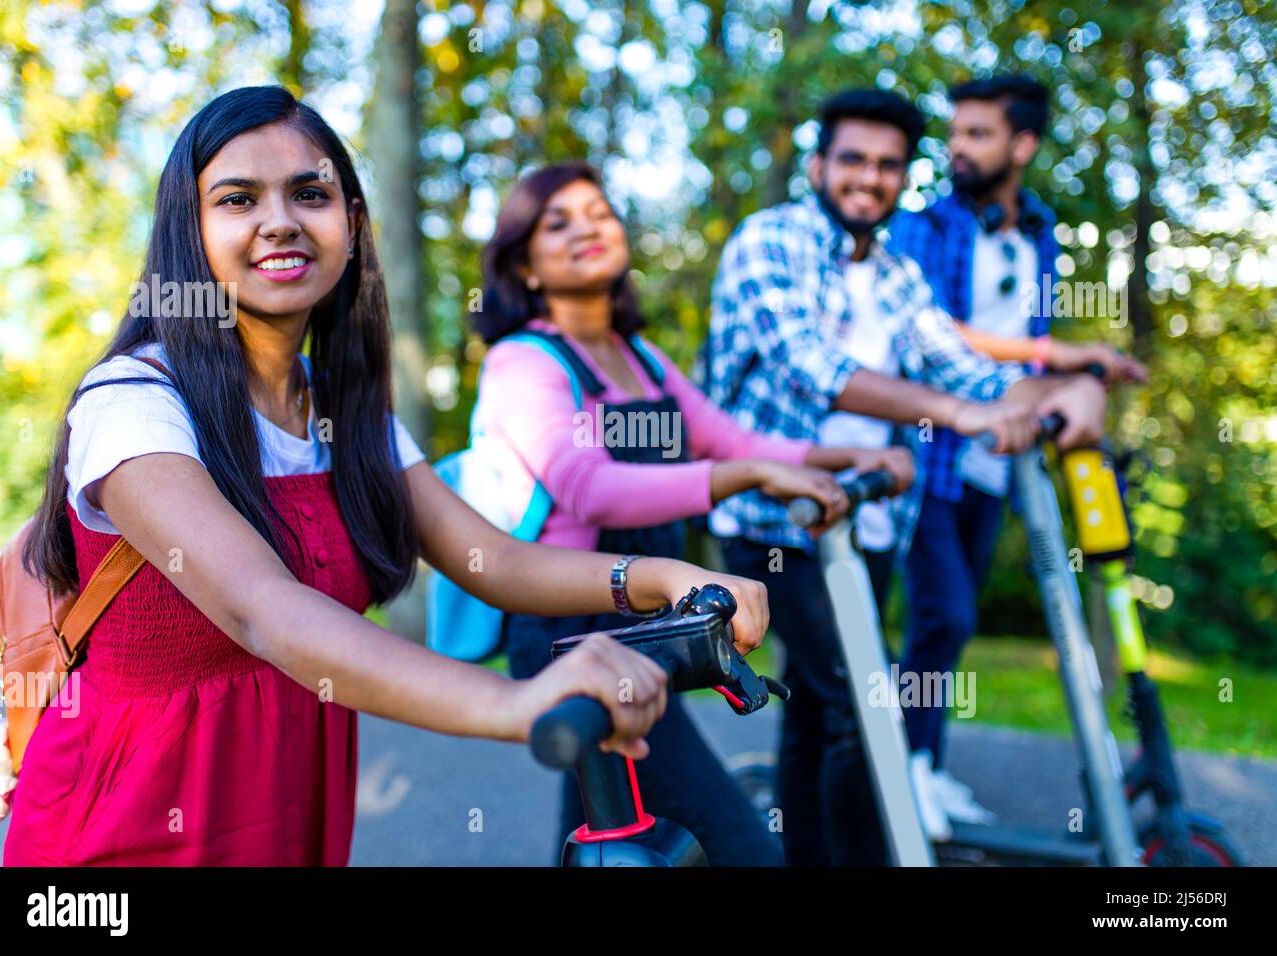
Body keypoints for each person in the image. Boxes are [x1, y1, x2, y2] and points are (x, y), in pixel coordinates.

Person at [1, 88, 772, 866]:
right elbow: (264, 612)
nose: (280, 220)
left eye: (311, 193)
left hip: (289, 811)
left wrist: (660, 576)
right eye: (238, 199)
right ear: (189, 234)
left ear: (352, 225)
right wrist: (516, 701)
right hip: (122, 831)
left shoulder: (344, 411)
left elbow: (493, 561)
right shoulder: (134, 401)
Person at [701, 87, 1111, 864]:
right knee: (862, 704)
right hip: (773, 521)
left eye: (890, 165)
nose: (870, 178)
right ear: (818, 164)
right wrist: (957, 414)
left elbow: (970, 373)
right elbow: (814, 367)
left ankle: (803, 855)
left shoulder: (894, 274)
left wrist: (1071, 387)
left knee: (822, 712)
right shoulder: (769, 241)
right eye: (853, 159)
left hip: (870, 520)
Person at [471, 161, 914, 866]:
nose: (588, 227)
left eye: (600, 212)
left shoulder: (639, 358)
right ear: (524, 265)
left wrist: (841, 458)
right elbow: (591, 488)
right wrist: (748, 474)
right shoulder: (522, 363)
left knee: (608, 827)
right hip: (577, 631)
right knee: (735, 844)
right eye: (559, 222)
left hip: (652, 626)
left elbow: (735, 442)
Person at [886, 74, 1148, 831]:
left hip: (993, 460)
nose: (957, 149)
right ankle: (902, 770)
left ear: (1022, 144)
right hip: (928, 449)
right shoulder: (925, 228)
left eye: (978, 134)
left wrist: (1076, 368)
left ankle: (926, 767)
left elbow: (1028, 360)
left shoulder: (1040, 231)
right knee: (945, 614)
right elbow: (930, 331)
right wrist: (1054, 350)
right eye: (955, 133)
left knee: (947, 624)